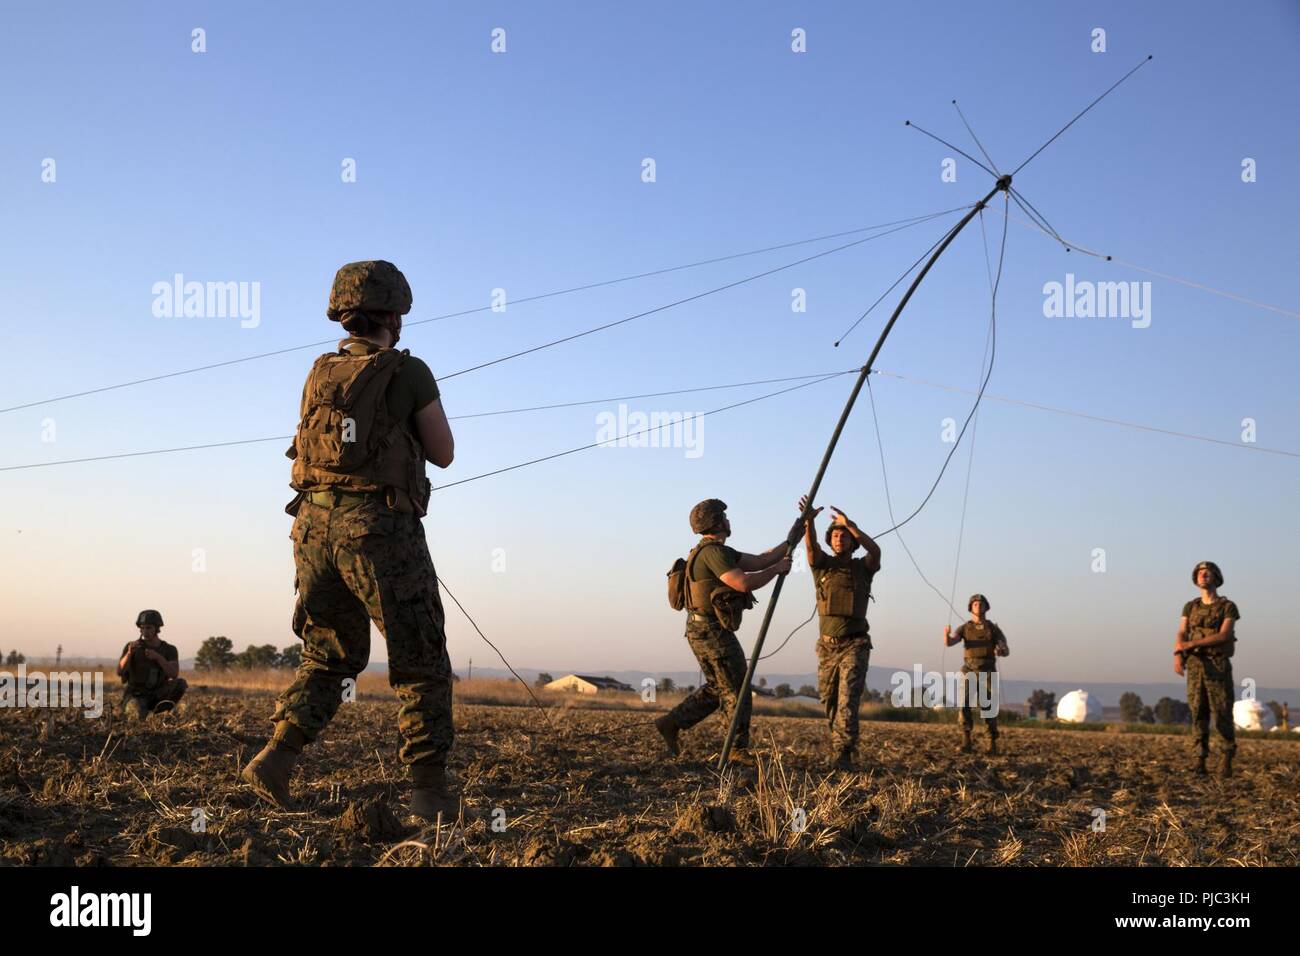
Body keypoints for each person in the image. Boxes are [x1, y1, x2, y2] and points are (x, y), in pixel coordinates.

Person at [241, 260, 459, 821]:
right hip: (379, 533)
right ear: (395, 314)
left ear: (342, 312)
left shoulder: (319, 371)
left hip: (311, 530)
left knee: (329, 653)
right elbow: (443, 451)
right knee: (421, 660)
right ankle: (430, 792)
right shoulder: (407, 371)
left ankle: (276, 757)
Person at [654, 499, 798, 764]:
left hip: (701, 628)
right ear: (717, 522)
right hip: (710, 630)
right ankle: (736, 748)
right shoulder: (712, 553)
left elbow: (760, 560)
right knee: (738, 687)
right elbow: (743, 583)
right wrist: (776, 570)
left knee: (718, 687)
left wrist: (793, 535)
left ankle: (671, 722)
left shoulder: (715, 551)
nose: (729, 521)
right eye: (724, 517)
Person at [799, 496, 881, 770]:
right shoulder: (823, 566)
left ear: (852, 541)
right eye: (835, 535)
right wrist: (808, 521)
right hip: (826, 647)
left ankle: (843, 753)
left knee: (847, 701)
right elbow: (810, 550)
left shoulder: (862, 568)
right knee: (829, 699)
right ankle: (840, 745)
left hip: (854, 645)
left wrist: (852, 525)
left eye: (843, 535)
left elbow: (876, 552)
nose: (839, 539)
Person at [1175, 560, 1239, 776]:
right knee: (1197, 711)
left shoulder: (1227, 607)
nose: (1203, 575)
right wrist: (1178, 654)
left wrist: (1192, 644)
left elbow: (1225, 634)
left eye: (1208, 572)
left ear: (1217, 577)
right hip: (1195, 666)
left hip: (1217, 665)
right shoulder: (1190, 606)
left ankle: (1225, 759)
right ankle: (1199, 759)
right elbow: (1181, 632)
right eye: (1200, 573)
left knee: (1221, 711)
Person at [943, 595, 1009, 754]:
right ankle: (966, 742)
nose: (978, 606)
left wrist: (1000, 650)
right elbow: (951, 642)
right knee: (964, 703)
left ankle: (991, 744)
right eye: (975, 604)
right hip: (969, 669)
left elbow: (1005, 650)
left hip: (987, 669)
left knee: (988, 707)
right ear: (970, 607)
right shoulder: (965, 628)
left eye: (981, 604)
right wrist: (946, 635)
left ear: (986, 607)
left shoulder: (993, 628)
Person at [117, 609, 187, 720]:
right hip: (135, 694)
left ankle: (158, 714)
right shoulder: (132, 647)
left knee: (180, 684)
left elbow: (173, 674)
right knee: (137, 714)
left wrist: (158, 658)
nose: (145, 631)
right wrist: (129, 654)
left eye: (148, 627)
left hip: (156, 693)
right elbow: (119, 671)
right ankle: (136, 712)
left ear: (157, 629)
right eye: (142, 628)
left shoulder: (169, 649)